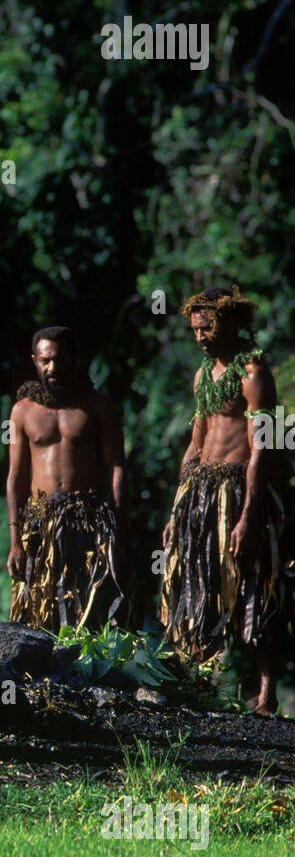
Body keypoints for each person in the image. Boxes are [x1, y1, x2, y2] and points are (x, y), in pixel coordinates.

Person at [160, 286, 286, 714]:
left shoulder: (254, 375)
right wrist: (179, 507)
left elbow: (262, 450)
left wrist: (249, 516)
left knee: (257, 589)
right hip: (201, 493)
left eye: (208, 326)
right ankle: (201, 685)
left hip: (241, 489)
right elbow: (196, 442)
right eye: (195, 329)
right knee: (198, 589)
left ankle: (267, 696)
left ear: (231, 322)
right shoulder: (202, 377)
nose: (200, 336)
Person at [6, 327, 128, 632]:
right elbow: (15, 478)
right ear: (34, 361)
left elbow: (116, 466)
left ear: (73, 359)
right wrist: (15, 542)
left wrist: (116, 521)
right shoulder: (22, 411)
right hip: (41, 522)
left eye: (59, 360)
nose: (52, 369)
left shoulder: (99, 407)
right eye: (45, 361)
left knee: (91, 606)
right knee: (40, 610)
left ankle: (92, 674)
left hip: (90, 518)